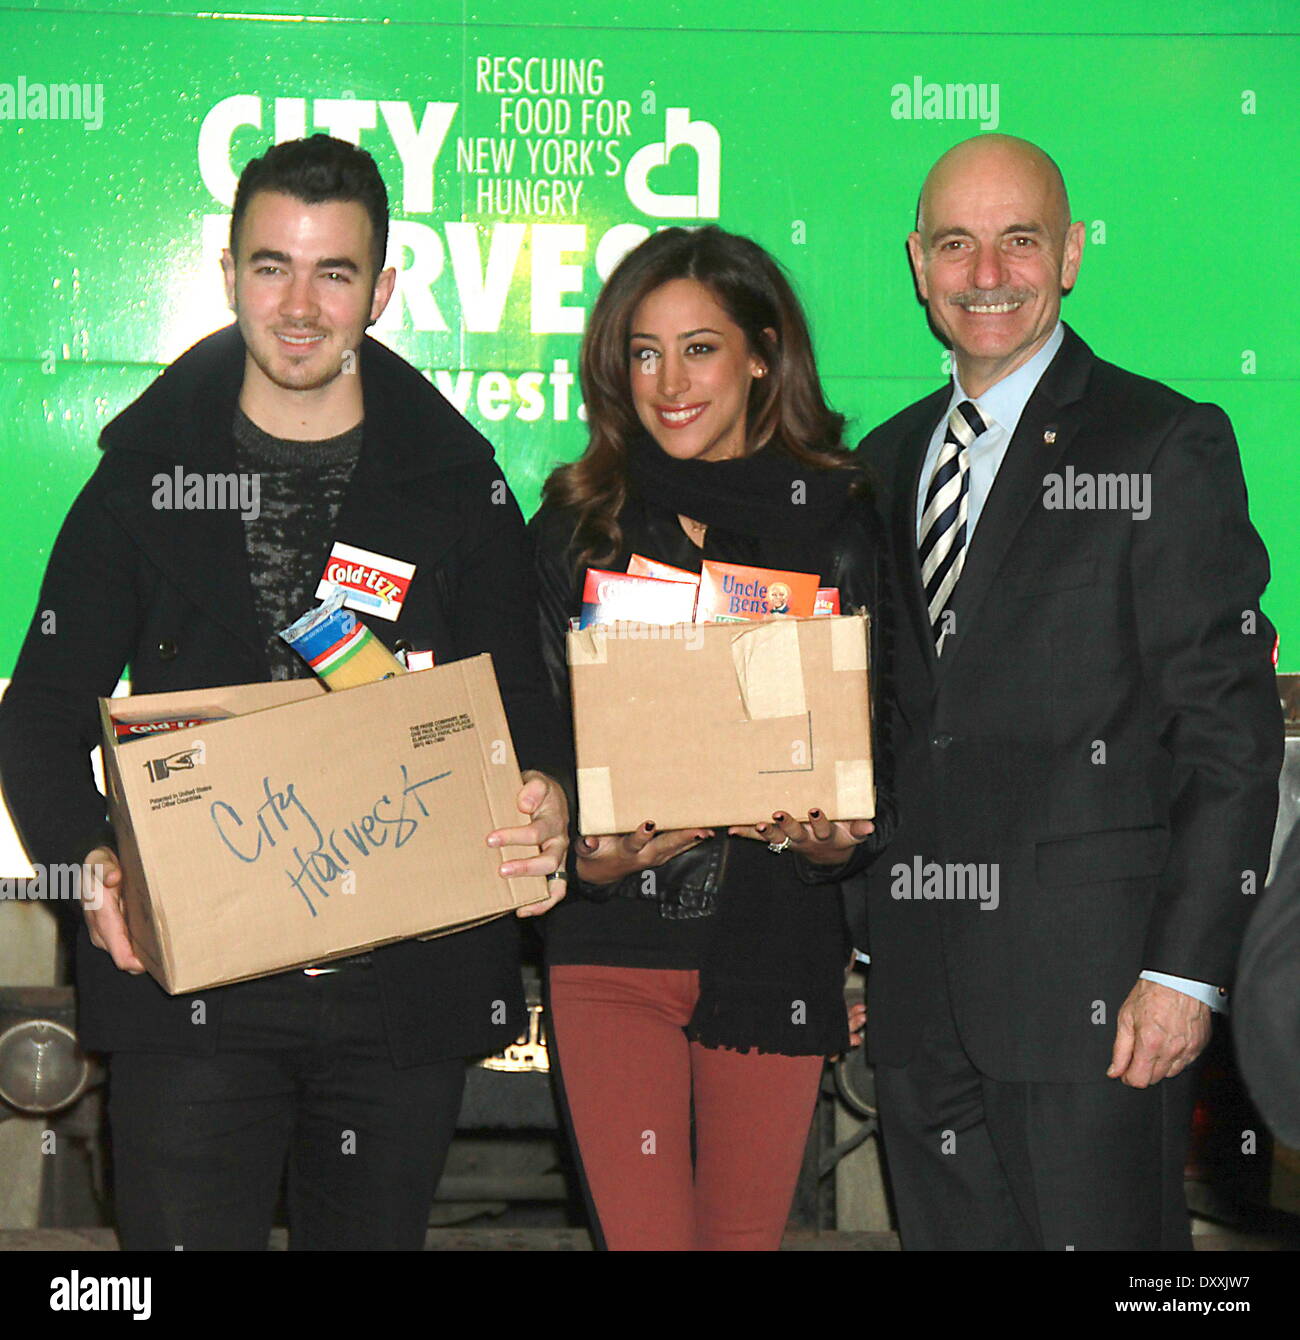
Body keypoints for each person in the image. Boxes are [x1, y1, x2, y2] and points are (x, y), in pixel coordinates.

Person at [0, 134, 570, 1251]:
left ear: (383, 290)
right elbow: (41, 711)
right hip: (192, 988)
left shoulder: (462, 486)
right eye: (272, 267)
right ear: (228, 274)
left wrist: (548, 793)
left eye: (334, 272)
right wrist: (91, 866)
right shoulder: (143, 474)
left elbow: (525, 709)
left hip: (400, 989)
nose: (300, 306)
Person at [846, 133, 1283, 1250]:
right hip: (920, 1009)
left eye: (1020, 240)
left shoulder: (1162, 442)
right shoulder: (880, 465)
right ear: (917, 264)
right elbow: (888, 729)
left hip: (1101, 1005)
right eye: (956, 243)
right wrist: (863, 943)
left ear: (1072, 254)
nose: (987, 273)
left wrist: (1184, 972)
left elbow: (1228, 733)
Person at [528, 225, 892, 1250]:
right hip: (612, 952)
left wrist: (838, 846)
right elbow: (533, 743)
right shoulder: (580, 526)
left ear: (763, 354)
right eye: (645, 352)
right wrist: (581, 854)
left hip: (775, 951)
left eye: (700, 348)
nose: (669, 382)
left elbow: (886, 746)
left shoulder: (837, 525)